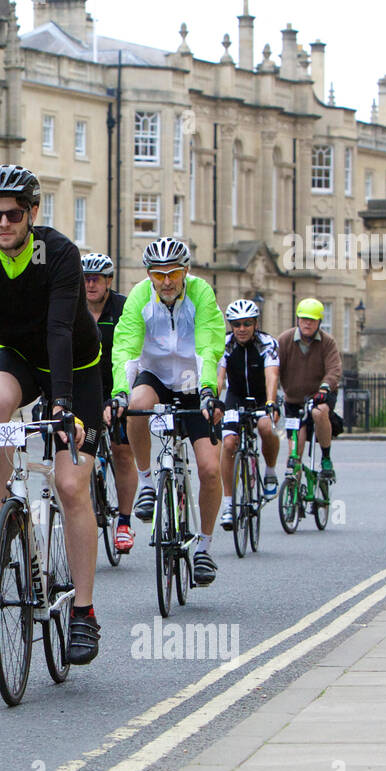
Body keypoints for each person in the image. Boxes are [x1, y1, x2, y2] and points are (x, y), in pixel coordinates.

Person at [0, 164, 105, 665]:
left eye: (13, 214)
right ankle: (2, 514)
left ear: (32, 212)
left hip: (75, 366)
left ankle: (83, 612)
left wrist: (62, 407)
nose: (2, 224)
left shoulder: (58, 253)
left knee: (71, 484)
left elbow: (60, 330)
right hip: (18, 358)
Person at [109, 237, 224, 586]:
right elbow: (126, 348)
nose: (167, 281)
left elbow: (208, 344)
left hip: (193, 382)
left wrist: (208, 390)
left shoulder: (201, 294)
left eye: (173, 273)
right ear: (149, 275)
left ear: (186, 271)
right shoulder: (140, 297)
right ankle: (146, 481)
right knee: (136, 406)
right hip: (156, 375)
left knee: (209, 468)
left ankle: (204, 547)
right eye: (158, 275)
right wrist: (118, 393)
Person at [82, 252, 138, 554]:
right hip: (85, 386)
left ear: (109, 282)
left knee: (122, 451)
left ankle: (125, 523)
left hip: (118, 385)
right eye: (86, 279)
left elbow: (132, 354)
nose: (90, 284)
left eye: (97, 279)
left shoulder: (124, 308)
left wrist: (121, 395)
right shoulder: (73, 305)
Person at [216, 299, 281, 530]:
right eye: (236, 324)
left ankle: (270, 471)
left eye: (246, 324)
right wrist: (214, 399)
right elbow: (219, 377)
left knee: (265, 427)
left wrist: (271, 402)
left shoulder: (267, 343)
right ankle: (228, 504)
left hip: (263, 396)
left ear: (255, 324)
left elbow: (271, 374)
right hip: (235, 397)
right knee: (229, 442)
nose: (241, 329)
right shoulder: (225, 344)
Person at [276, 298, 342, 481]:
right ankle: (293, 490)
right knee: (294, 455)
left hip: (319, 396)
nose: (307, 323)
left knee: (320, 413)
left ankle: (326, 458)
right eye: (303, 319)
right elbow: (273, 367)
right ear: (297, 319)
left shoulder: (327, 342)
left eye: (312, 320)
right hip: (294, 399)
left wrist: (325, 387)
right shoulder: (284, 340)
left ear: (319, 322)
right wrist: (270, 393)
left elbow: (334, 369)